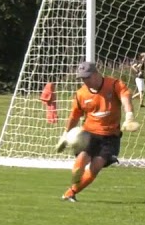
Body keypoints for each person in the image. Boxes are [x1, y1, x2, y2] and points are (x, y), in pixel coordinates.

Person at [59, 61, 137, 203]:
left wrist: (129, 116)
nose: (85, 81)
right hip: (89, 135)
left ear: (96, 74)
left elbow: (125, 97)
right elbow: (74, 116)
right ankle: (75, 179)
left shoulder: (113, 84)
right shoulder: (81, 94)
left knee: (96, 166)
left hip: (110, 137)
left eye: (87, 77)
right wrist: (65, 134)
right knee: (80, 164)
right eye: (82, 78)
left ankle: (71, 192)